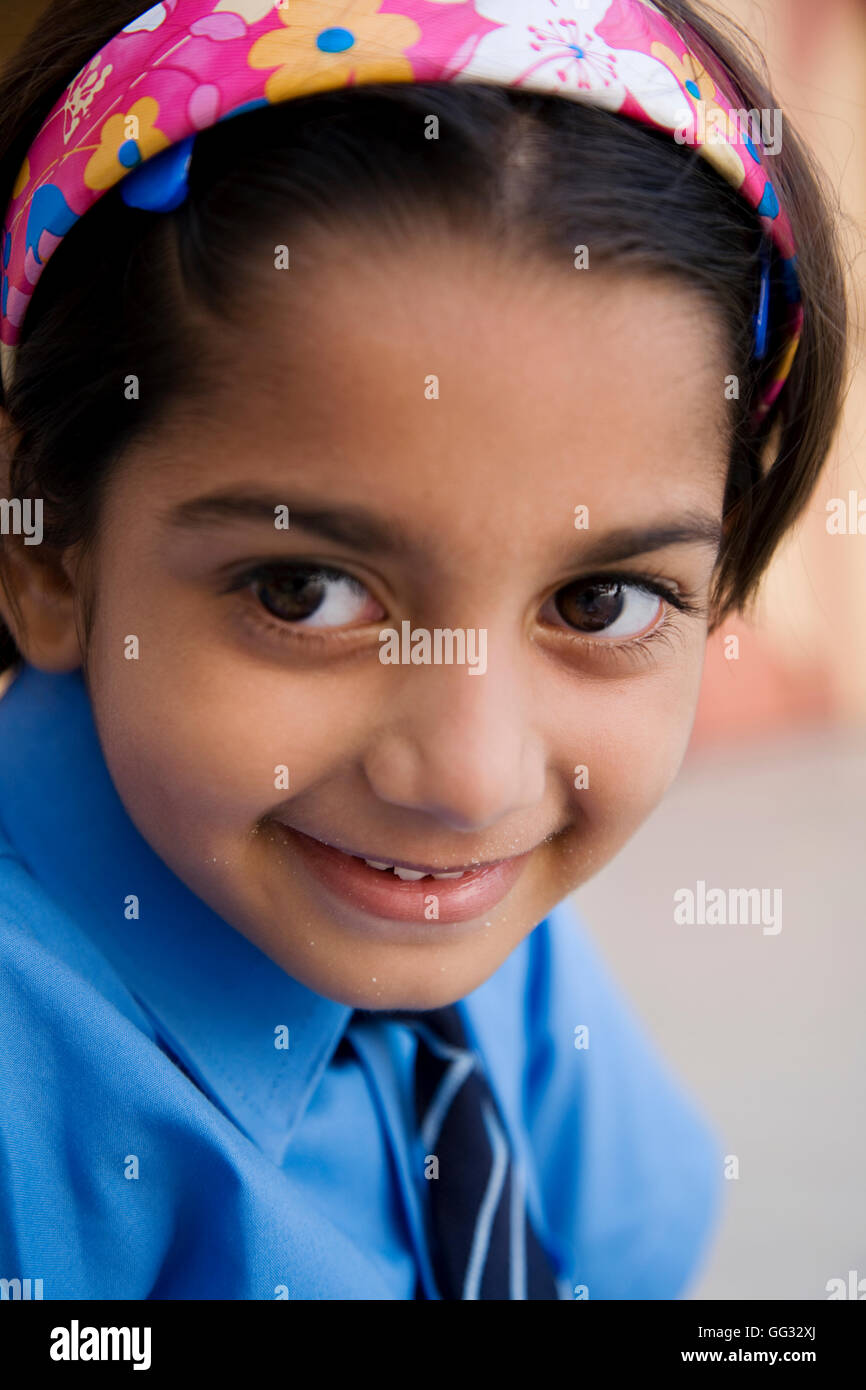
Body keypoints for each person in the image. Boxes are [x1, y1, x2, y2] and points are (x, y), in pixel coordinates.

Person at [0, 0, 847, 1300]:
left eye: (600, 603)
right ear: (47, 544)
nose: (468, 775)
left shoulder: (449, 915)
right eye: (304, 587)